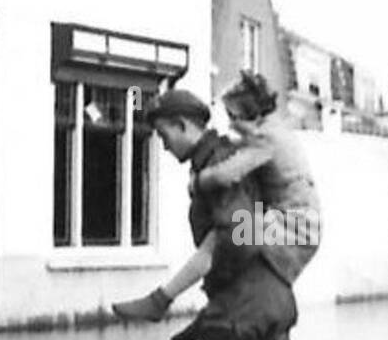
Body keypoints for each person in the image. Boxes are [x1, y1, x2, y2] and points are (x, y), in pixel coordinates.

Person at [112, 87, 337, 340]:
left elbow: (239, 233)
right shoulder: (232, 154)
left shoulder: (218, 164)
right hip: (274, 291)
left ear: (183, 126)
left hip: (246, 294)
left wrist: (203, 302)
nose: (163, 148)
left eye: (165, 136)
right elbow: (243, 231)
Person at [112, 70, 320, 319]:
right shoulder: (272, 133)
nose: (231, 125)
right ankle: (210, 311)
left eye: (233, 117)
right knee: (239, 248)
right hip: (299, 223)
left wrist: (199, 182)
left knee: (224, 238)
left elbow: (227, 174)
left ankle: (164, 300)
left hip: (295, 224)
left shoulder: (265, 139)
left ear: (250, 114)